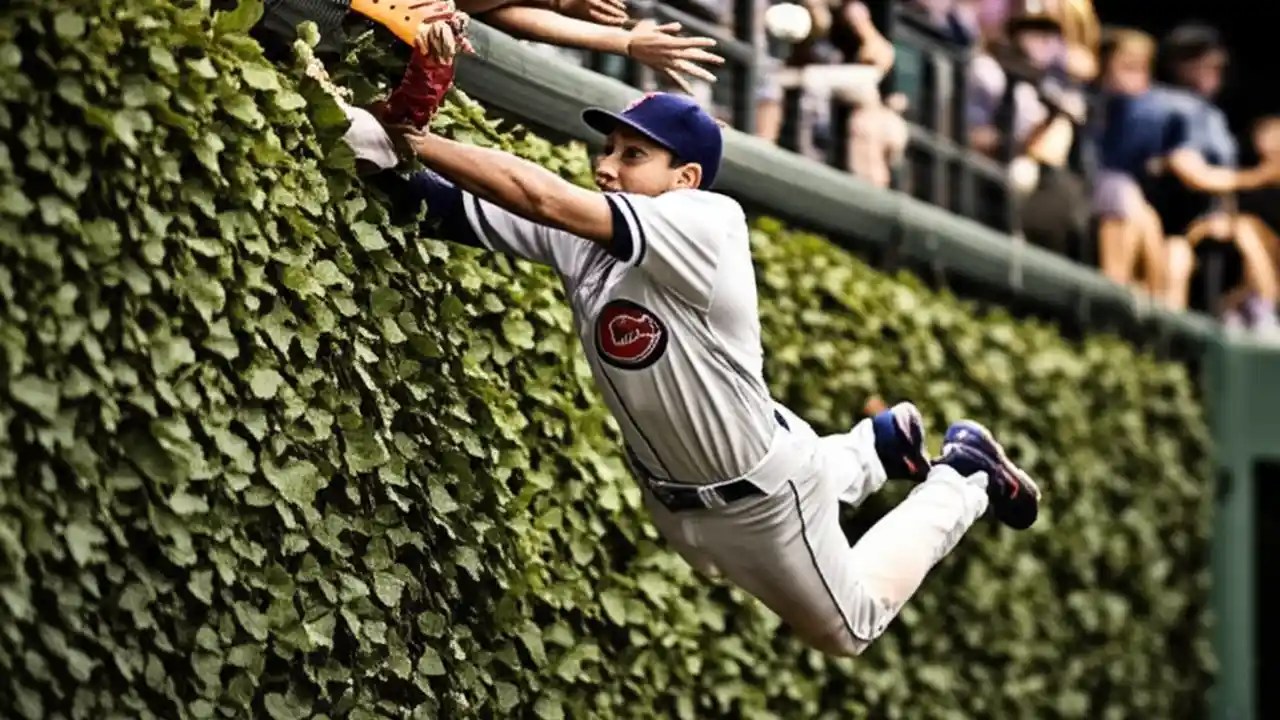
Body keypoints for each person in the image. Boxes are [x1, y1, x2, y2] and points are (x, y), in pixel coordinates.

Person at [350, 91, 1041, 657]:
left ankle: (965, 477)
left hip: (762, 503)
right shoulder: (592, 232)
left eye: (633, 154)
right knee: (783, 486)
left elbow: (540, 198)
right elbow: (438, 206)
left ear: (684, 179)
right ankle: (875, 448)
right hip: (685, 497)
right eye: (608, 149)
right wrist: (339, 119)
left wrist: (412, 131)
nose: (606, 166)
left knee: (850, 629)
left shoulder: (706, 221)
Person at [1089, 28, 1166, 296]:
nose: (1136, 76)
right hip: (1091, 180)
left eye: (1141, 67)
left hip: (1124, 189)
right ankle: (1114, 285)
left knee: (1149, 220)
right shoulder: (1092, 98)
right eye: (1127, 66)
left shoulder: (1145, 111)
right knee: (1122, 193)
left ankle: (1153, 305)